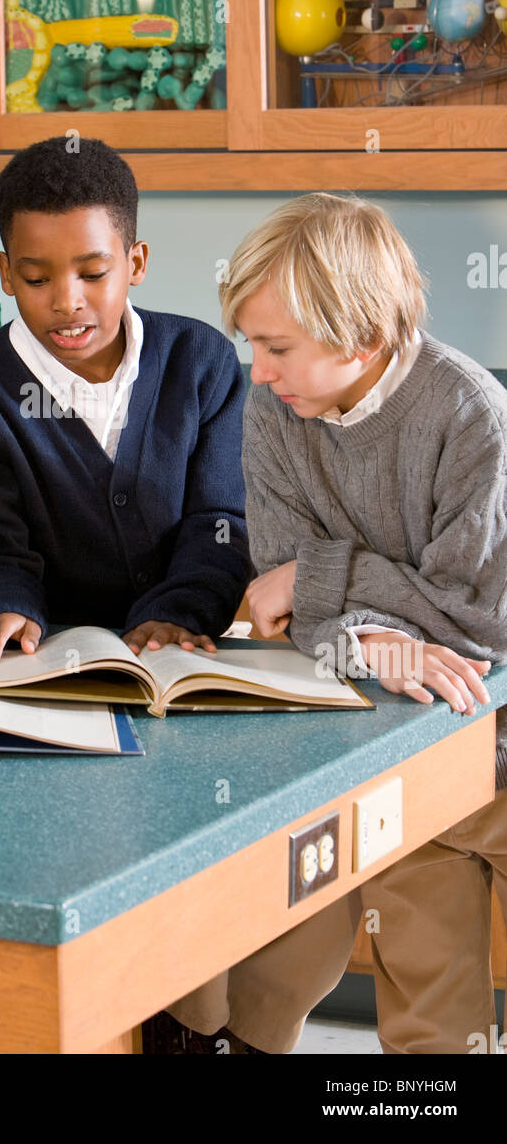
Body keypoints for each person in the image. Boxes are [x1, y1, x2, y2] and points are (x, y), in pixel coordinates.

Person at [215, 191, 507, 1055]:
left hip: (484, 731)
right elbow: (277, 607)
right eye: (252, 347)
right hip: (395, 742)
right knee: (425, 1014)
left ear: (362, 339)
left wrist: (321, 576)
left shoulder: (470, 417)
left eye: (277, 348)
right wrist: (362, 636)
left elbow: (477, 626)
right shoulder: (274, 411)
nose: (259, 371)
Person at [0, 135, 251, 665]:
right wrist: (0, 605)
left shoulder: (201, 362)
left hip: (184, 652)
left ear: (136, 262)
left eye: (93, 274)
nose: (66, 301)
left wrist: (181, 611)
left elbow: (220, 520)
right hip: (43, 659)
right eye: (36, 278)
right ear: (6, 274)